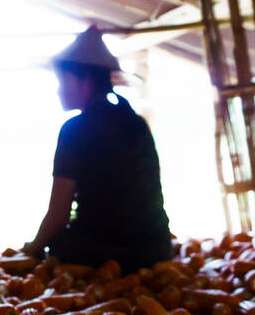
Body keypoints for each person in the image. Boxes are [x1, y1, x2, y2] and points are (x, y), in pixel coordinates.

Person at [24, 26, 173, 273]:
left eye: (62, 80)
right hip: (156, 249)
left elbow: (58, 215)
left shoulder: (74, 130)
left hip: (103, 252)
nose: (58, 89)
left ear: (84, 81)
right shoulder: (136, 123)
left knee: (60, 244)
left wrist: (33, 249)